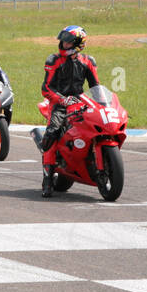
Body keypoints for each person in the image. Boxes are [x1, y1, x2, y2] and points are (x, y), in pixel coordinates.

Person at [38, 25, 100, 196]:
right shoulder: (54, 60)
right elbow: (46, 88)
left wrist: (102, 103)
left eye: (67, 41)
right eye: (63, 40)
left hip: (80, 102)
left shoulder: (88, 61)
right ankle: (47, 180)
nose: (63, 44)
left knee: (96, 124)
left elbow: (95, 87)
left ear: (78, 44)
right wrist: (62, 99)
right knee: (52, 133)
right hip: (58, 103)